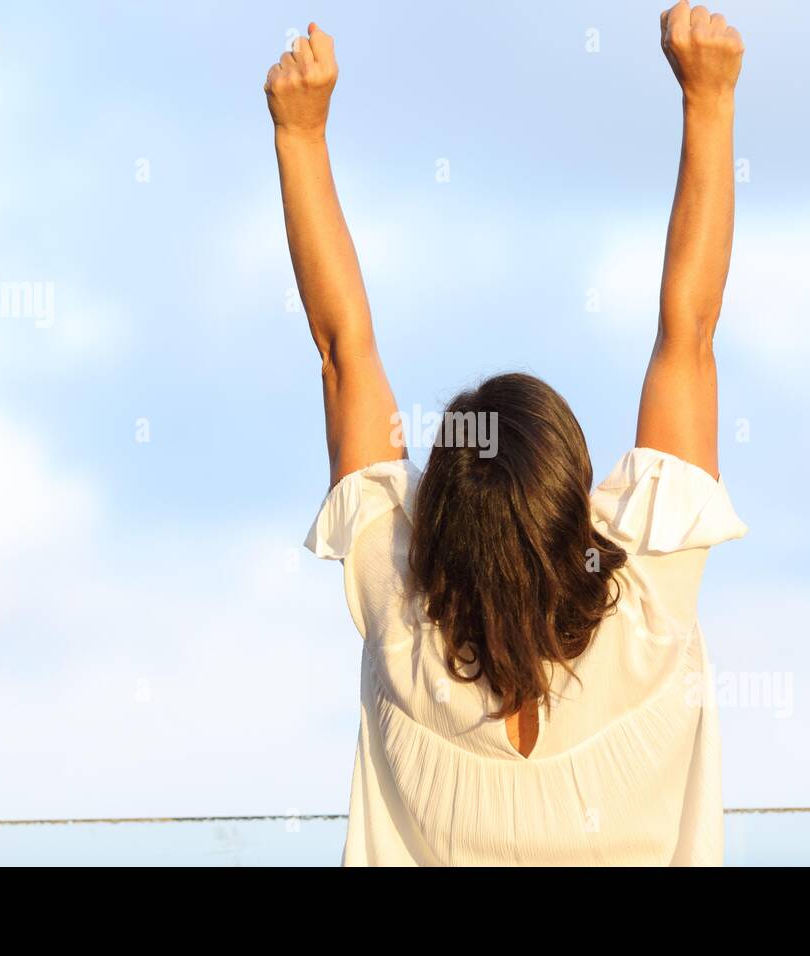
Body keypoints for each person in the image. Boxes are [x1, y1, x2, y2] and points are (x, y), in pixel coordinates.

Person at [265, 1, 747, 866]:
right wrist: (709, 101)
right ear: (581, 511)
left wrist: (300, 135)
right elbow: (691, 332)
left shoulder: (404, 630)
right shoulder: (649, 613)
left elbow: (344, 351)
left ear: (439, 524)